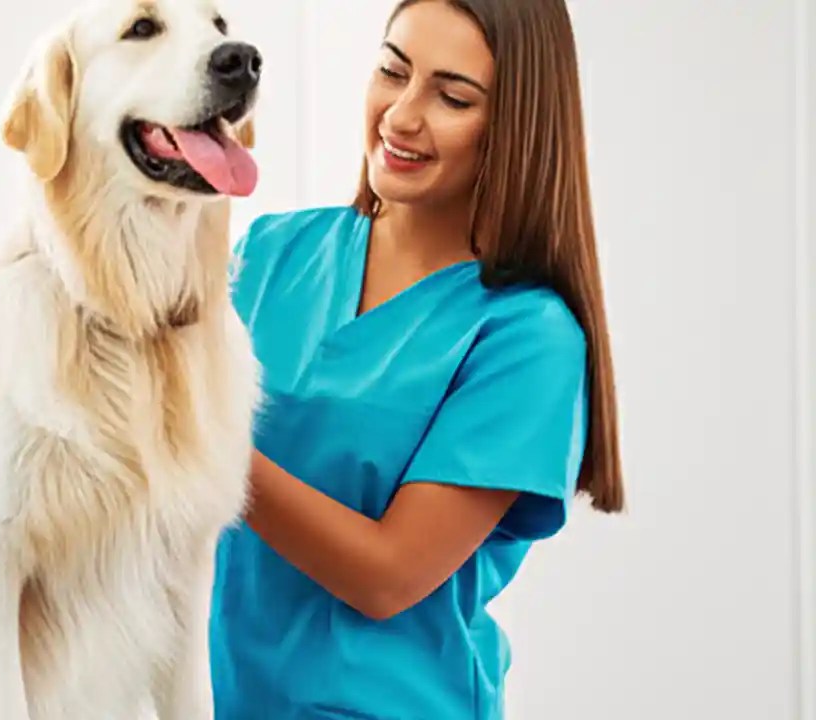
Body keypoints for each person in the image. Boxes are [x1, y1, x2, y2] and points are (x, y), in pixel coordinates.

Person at [206, 0, 623, 718]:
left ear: (514, 127)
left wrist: (194, 437)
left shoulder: (527, 337)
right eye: (391, 72)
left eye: (452, 96)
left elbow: (387, 576)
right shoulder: (274, 252)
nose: (401, 115)